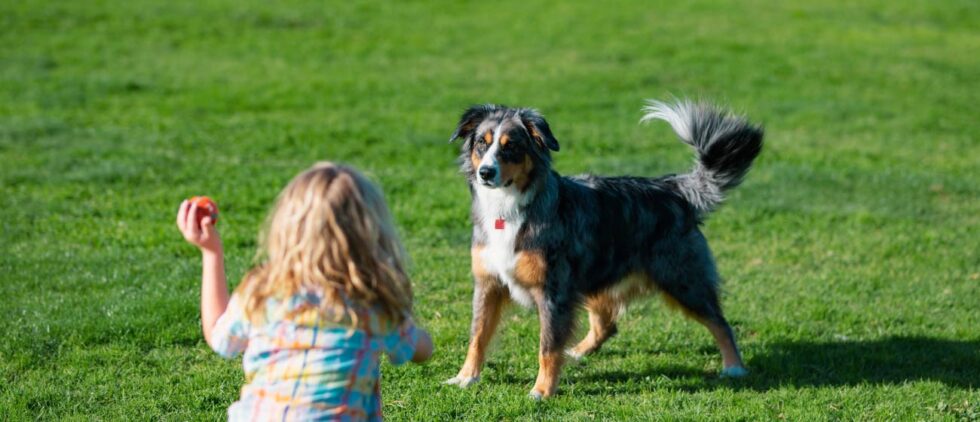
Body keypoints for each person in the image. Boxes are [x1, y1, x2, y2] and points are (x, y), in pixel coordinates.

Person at [176, 162, 433, 421]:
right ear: (371, 235)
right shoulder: (370, 306)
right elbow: (422, 350)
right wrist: (398, 308)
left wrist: (211, 252)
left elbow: (218, 336)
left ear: (288, 229)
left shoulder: (264, 291)